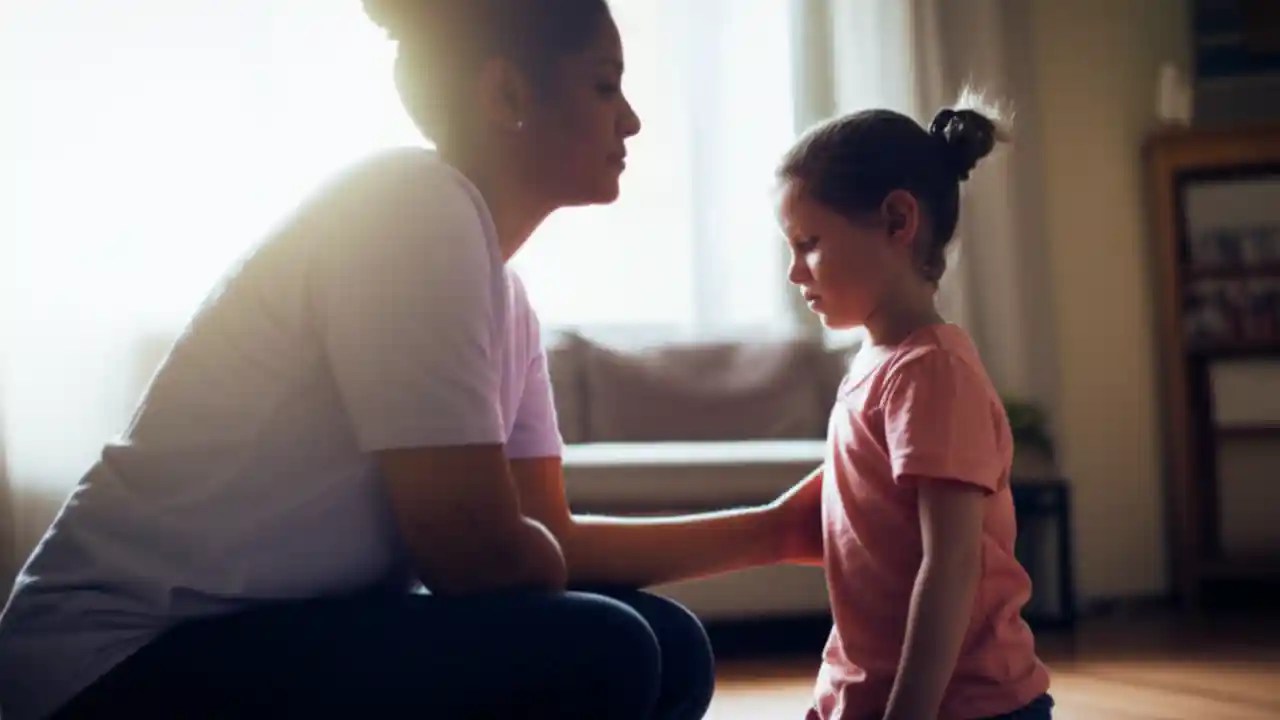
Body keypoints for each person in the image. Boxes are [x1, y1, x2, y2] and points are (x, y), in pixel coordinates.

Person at [0, 1, 819, 718]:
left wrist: (777, 530)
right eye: (605, 87)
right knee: (608, 648)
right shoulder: (410, 212)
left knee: (672, 645)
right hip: (113, 661)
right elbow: (475, 557)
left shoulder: (505, 298)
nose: (631, 121)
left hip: (260, 633)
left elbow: (541, 540)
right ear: (506, 95)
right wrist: (522, 548)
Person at [775, 103, 1055, 720]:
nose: (795, 272)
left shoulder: (931, 372)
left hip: (966, 707)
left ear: (898, 220)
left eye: (809, 244)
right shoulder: (877, 363)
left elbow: (951, 563)